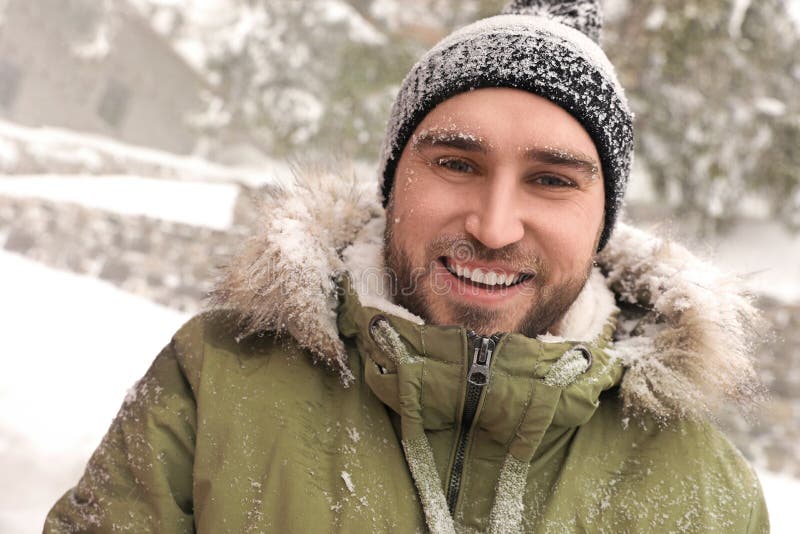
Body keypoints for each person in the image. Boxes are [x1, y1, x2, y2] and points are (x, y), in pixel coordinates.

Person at [45, 0, 769, 532]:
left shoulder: (709, 494)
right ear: (394, 183)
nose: (493, 226)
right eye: (457, 162)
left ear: (603, 220)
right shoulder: (215, 383)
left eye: (552, 180)